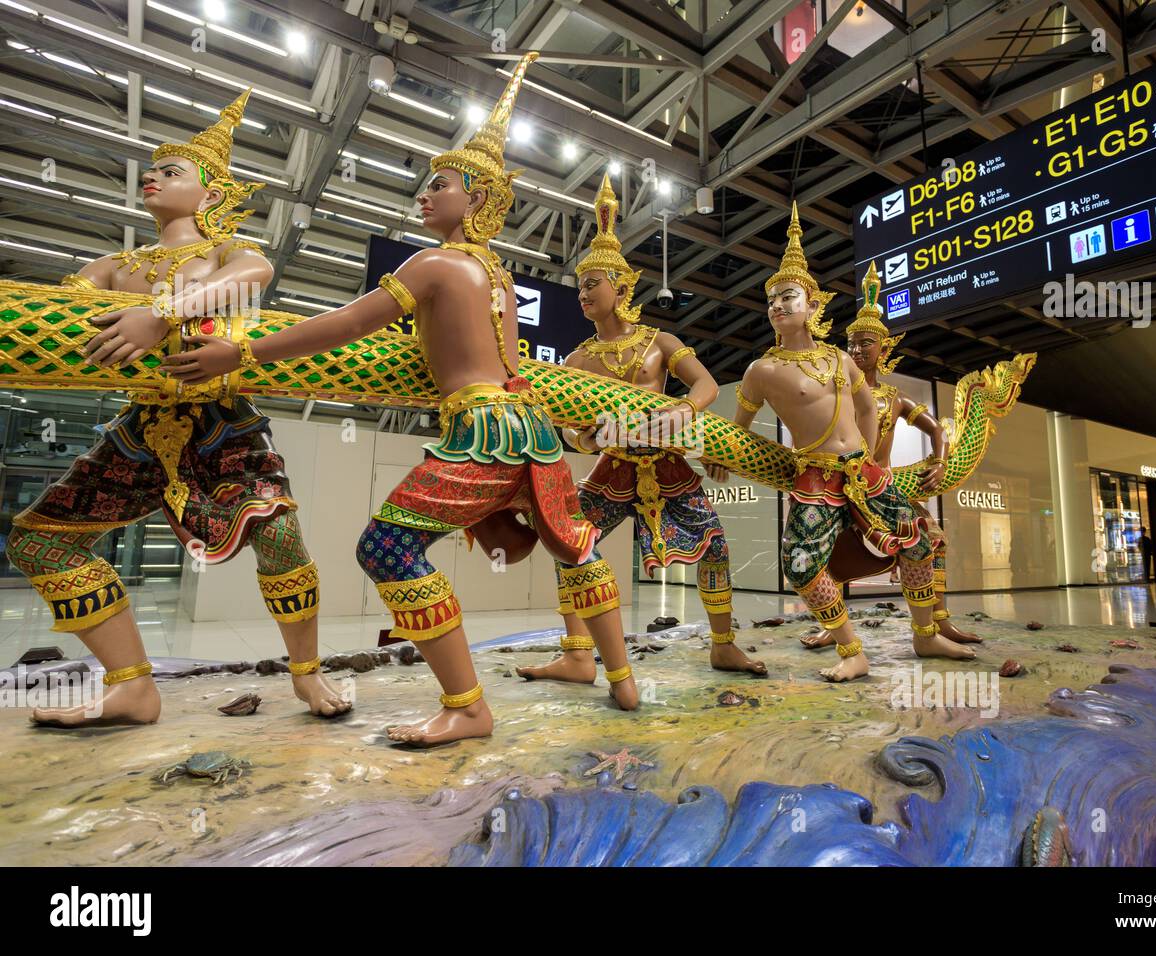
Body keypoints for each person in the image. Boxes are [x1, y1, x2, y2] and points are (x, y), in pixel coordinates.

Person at [165, 54, 639, 746]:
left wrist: (242, 350)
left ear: (476, 199)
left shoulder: (436, 262)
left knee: (386, 547)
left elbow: (348, 325)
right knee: (576, 547)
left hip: (482, 432)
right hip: (532, 429)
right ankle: (621, 677)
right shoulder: (498, 276)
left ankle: (469, 706)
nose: (424, 196)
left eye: (438, 185)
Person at [6, 89, 349, 727]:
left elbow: (254, 276)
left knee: (276, 534)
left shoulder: (225, 255)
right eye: (152, 171)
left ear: (212, 195)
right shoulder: (114, 265)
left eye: (173, 171)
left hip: (223, 422)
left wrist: (160, 314)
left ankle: (307, 674)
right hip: (138, 430)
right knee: (38, 542)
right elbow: (59, 316)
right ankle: (132, 684)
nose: (154, 177)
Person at [707, 203, 974, 682]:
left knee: (922, 542)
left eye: (788, 297)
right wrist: (722, 456)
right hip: (815, 477)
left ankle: (925, 634)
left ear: (812, 306)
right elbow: (739, 425)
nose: (777, 306)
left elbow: (869, 408)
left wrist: (869, 456)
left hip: (864, 471)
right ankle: (851, 648)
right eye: (771, 300)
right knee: (803, 566)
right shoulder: (762, 370)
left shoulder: (836, 358)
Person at [515, 175, 765, 684]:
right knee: (571, 543)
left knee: (714, 546)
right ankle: (579, 654)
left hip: (668, 464)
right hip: (613, 468)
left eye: (592, 284)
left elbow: (706, 385)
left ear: (622, 288)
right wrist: (588, 438)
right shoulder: (577, 358)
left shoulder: (659, 341)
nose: (582, 293)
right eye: (580, 285)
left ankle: (724, 645)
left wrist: (683, 410)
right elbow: (569, 427)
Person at [802, 262, 981, 648]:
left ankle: (937, 622)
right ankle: (832, 628)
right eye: (852, 344)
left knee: (932, 539)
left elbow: (935, 430)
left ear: (884, 349)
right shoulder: (836, 394)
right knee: (819, 550)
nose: (857, 349)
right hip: (837, 482)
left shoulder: (893, 398)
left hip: (881, 486)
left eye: (866, 343)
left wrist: (941, 459)